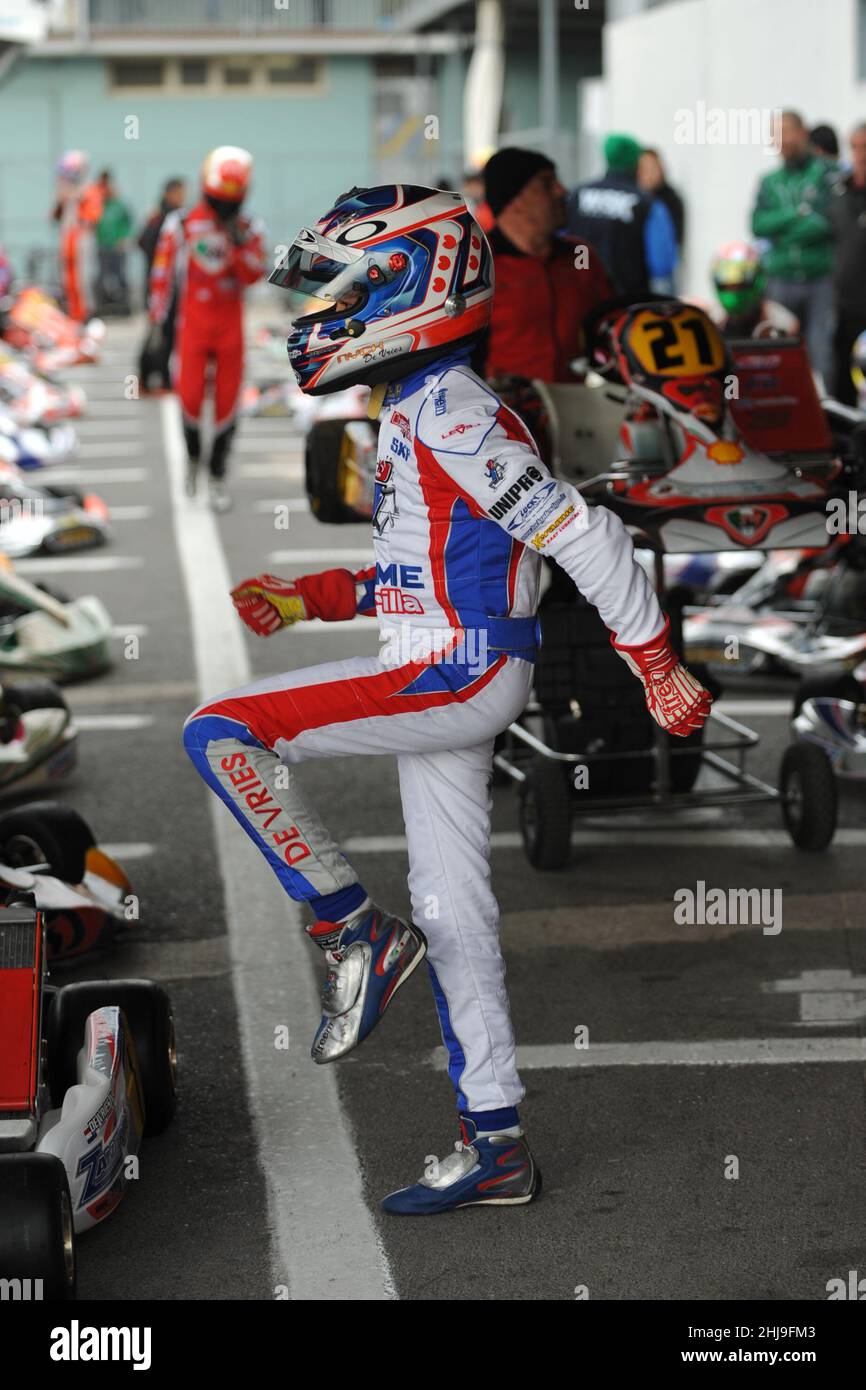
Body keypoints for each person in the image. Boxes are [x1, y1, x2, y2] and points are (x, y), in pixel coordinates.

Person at [182, 183, 713, 1214]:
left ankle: (347, 928)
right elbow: (429, 572)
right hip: (450, 660)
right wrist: (312, 595)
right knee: (453, 913)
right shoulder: (424, 404)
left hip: (456, 673)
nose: (324, 311)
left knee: (221, 730)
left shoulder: (453, 409)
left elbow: (581, 534)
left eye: (349, 287)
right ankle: (495, 1141)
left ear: (413, 287)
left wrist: (654, 663)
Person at [149, 148, 265, 510]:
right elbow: (162, 274)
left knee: (229, 403)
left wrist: (236, 241)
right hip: (193, 324)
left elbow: (253, 273)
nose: (224, 207)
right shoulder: (180, 224)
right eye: (220, 200)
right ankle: (194, 458)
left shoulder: (249, 228)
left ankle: (217, 475)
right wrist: (156, 323)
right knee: (191, 398)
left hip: (230, 324)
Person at [476, 146, 613, 382]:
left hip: (576, 409)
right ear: (514, 200)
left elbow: (611, 326)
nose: (562, 191)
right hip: (502, 413)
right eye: (546, 184)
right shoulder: (476, 265)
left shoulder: (581, 255)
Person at [751, 110, 835, 385]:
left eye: (787, 132)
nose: (783, 140)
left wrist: (783, 230)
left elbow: (825, 222)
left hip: (820, 279)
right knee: (777, 354)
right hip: (781, 279)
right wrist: (796, 215)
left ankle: (826, 419)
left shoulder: (825, 173)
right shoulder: (769, 182)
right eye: (777, 134)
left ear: (803, 133)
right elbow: (759, 224)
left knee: (821, 355)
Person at [568, 133, 678, 298]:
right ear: (636, 161)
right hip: (628, 305)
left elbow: (567, 243)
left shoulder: (577, 196)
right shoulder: (647, 204)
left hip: (581, 296)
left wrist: (580, 269)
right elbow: (661, 266)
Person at [829, 123, 866, 406]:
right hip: (845, 304)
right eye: (855, 147)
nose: (861, 155)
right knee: (841, 384)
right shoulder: (838, 192)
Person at [138, 178, 187, 392]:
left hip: (171, 285)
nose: (183, 197)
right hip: (159, 285)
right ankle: (151, 377)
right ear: (170, 193)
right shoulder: (161, 217)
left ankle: (161, 378)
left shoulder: (177, 216)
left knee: (168, 333)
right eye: (180, 193)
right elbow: (143, 242)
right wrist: (158, 265)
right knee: (159, 332)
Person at [51, 150, 103, 322]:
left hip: (82, 238)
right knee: (68, 280)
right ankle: (73, 314)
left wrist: (79, 198)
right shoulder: (66, 192)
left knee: (83, 280)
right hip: (67, 238)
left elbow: (92, 217)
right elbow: (55, 217)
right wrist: (62, 200)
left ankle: (86, 314)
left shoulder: (89, 191)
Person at [710, 240, 799, 339]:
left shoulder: (783, 323)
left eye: (740, 285)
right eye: (728, 286)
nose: (734, 290)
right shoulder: (709, 321)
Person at [95, 170, 133, 315]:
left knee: (120, 277)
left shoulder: (120, 205)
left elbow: (129, 224)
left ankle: (124, 305)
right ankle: (102, 306)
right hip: (102, 246)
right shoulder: (99, 205)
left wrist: (124, 238)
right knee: (102, 277)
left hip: (117, 247)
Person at [637, 148, 685, 252]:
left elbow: (674, 239)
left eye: (652, 169)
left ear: (661, 169)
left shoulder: (671, 199)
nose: (648, 175)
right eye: (644, 170)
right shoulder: (633, 197)